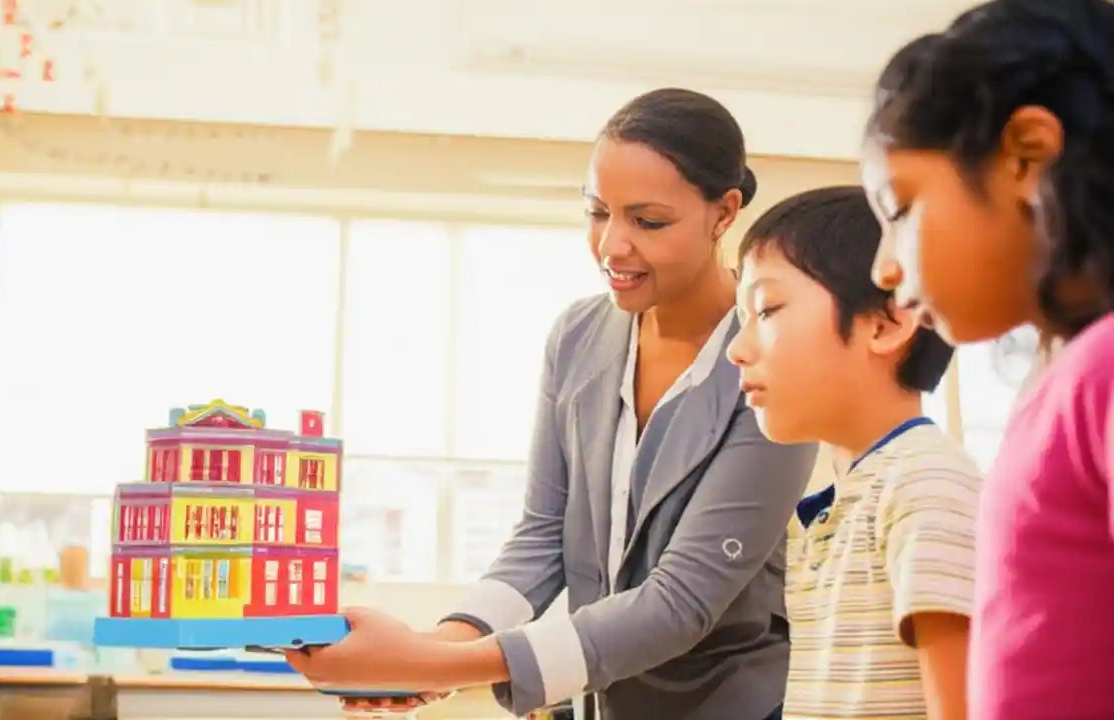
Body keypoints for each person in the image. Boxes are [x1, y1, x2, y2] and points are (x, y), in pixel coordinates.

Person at [285, 87, 819, 719]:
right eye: (598, 213)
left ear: (724, 212)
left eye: (648, 222)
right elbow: (543, 533)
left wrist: (431, 664)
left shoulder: (768, 358)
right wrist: (443, 642)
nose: (612, 247)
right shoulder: (578, 337)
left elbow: (680, 602)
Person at [863, 1, 1114, 717]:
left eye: (900, 208)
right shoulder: (1067, 376)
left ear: (1027, 156)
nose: (884, 267)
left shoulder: (1104, 369)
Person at [727, 186, 981, 720]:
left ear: (885, 323)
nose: (738, 348)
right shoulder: (835, 504)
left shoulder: (925, 483)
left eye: (766, 309)